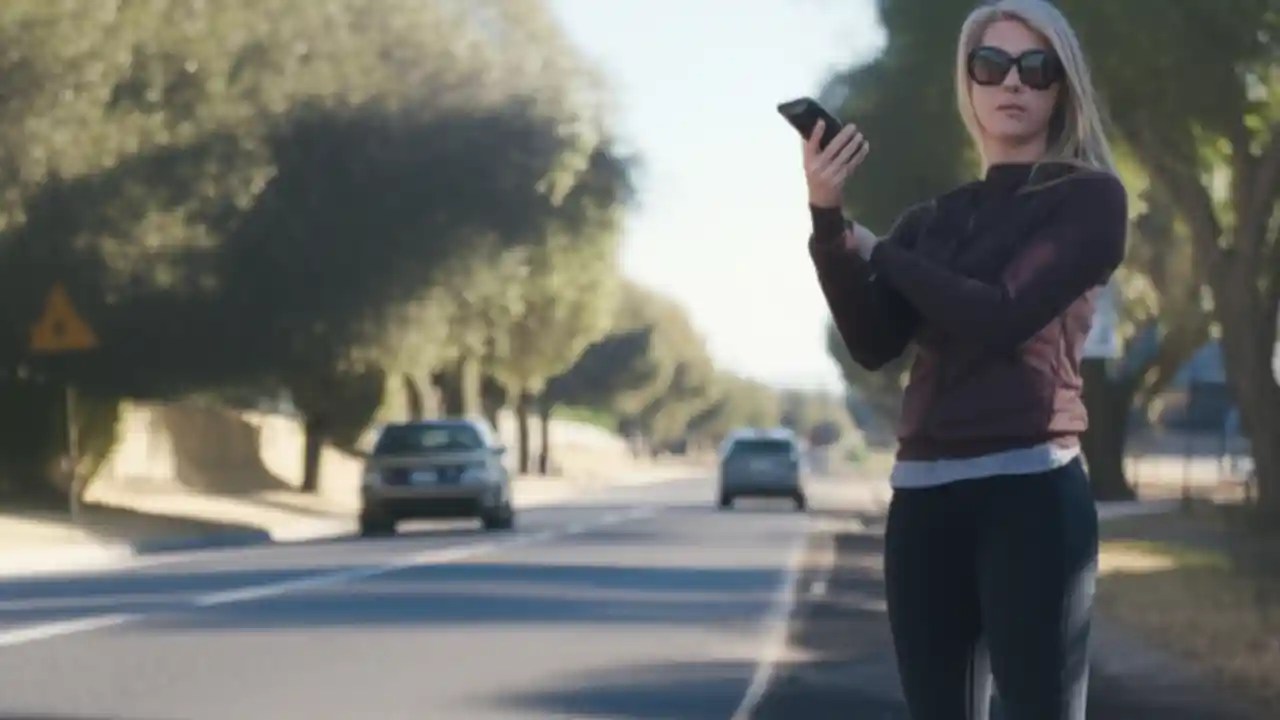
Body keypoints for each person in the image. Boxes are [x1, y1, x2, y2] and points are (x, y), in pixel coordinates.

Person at [801, 1, 1126, 718]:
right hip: (922, 501)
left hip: (1032, 499)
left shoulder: (1089, 200)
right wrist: (828, 221)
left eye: (1035, 68)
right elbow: (874, 342)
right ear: (969, 85)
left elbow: (1002, 314)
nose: (1013, 82)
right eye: (992, 66)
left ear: (1060, 86)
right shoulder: (932, 222)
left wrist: (881, 251)